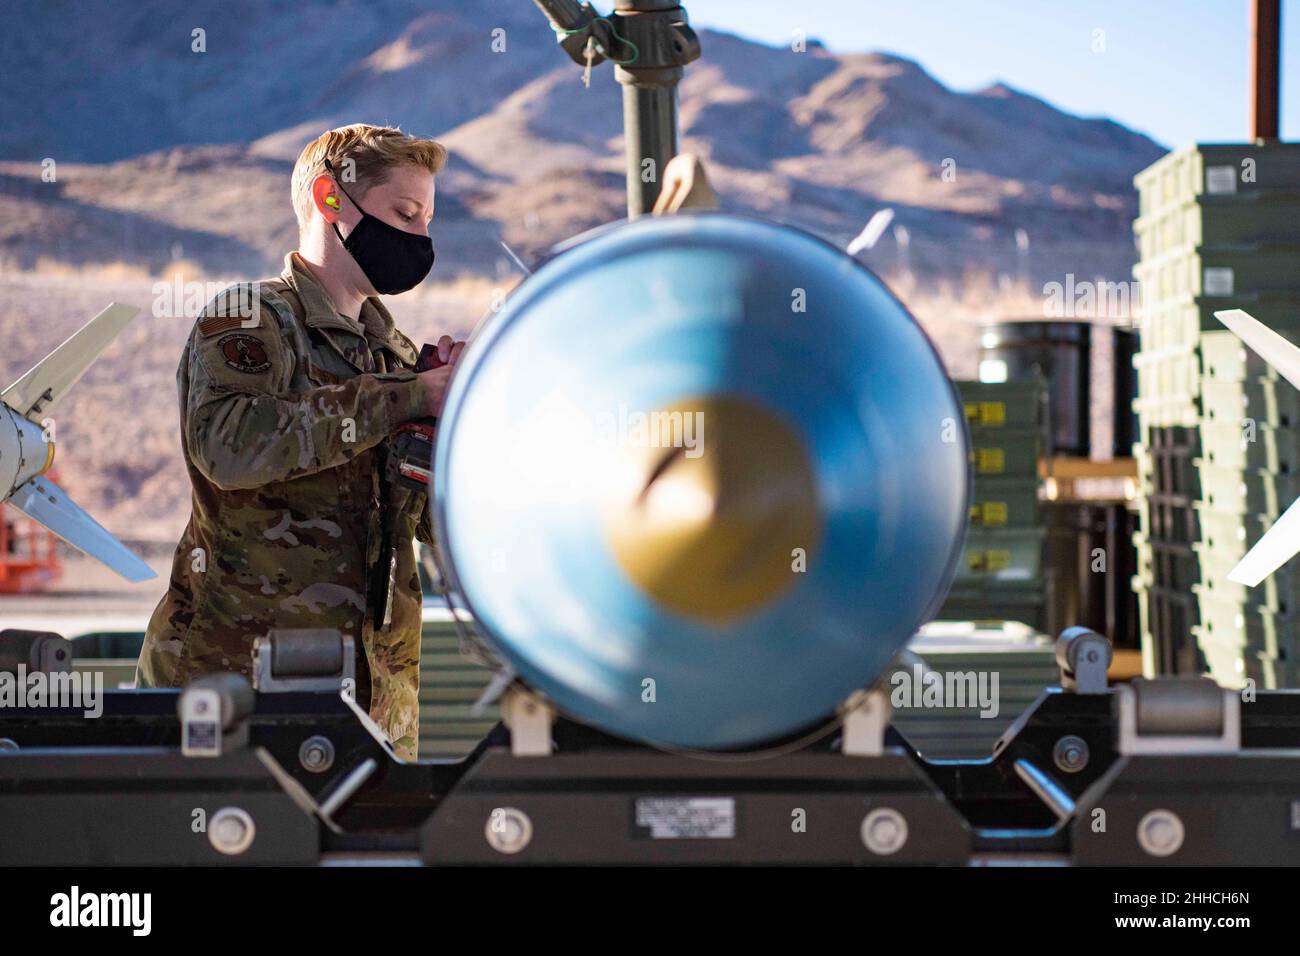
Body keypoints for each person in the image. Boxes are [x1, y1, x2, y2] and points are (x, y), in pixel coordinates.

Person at [136, 123, 461, 760]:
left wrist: (459, 428)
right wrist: (410, 398)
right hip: (233, 682)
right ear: (330, 198)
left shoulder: (393, 354)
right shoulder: (250, 318)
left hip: (375, 703)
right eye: (405, 213)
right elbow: (231, 447)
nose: (420, 238)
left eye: (428, 219)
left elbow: (426, 527)